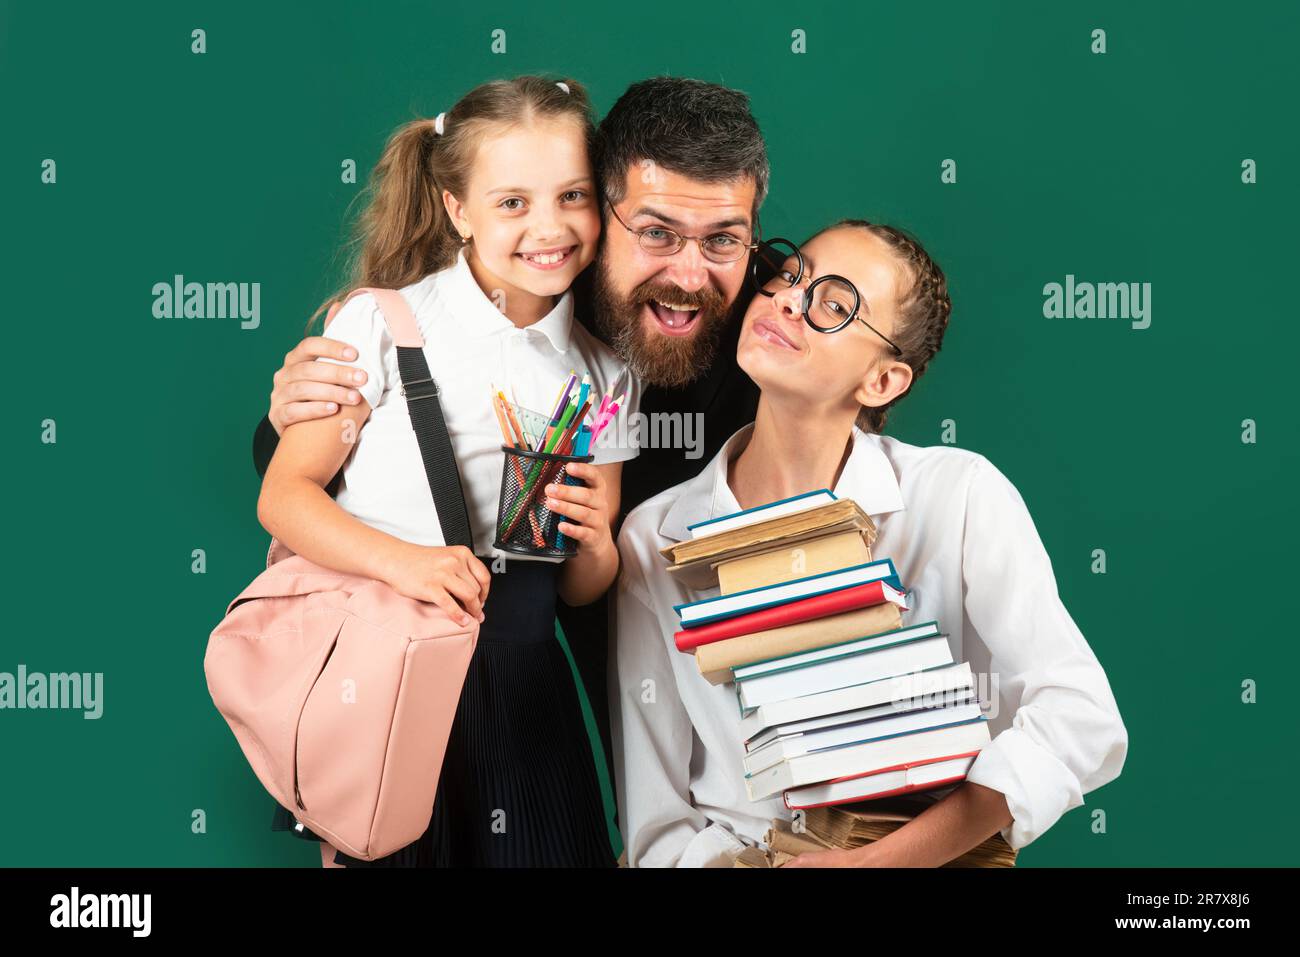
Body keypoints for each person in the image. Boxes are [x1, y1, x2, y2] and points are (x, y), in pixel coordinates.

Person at [251, 77, 771, 832]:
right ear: (459, 209)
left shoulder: (620, 369)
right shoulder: (389, 323)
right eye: (656, 231)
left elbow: (581, 578)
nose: (549, 227)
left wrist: (595, 543)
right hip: (394, 664)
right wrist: (401, 556)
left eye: (570, 197)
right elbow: (289, 487)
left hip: (541, 679)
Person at [612, 221, 1129, 866]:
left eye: (834, 305)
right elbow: (658, 825)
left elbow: (1079, 718)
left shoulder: (958, 495)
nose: (789, 301)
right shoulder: (654, 539)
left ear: (882, 381)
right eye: (790, 275)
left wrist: (876, 863)